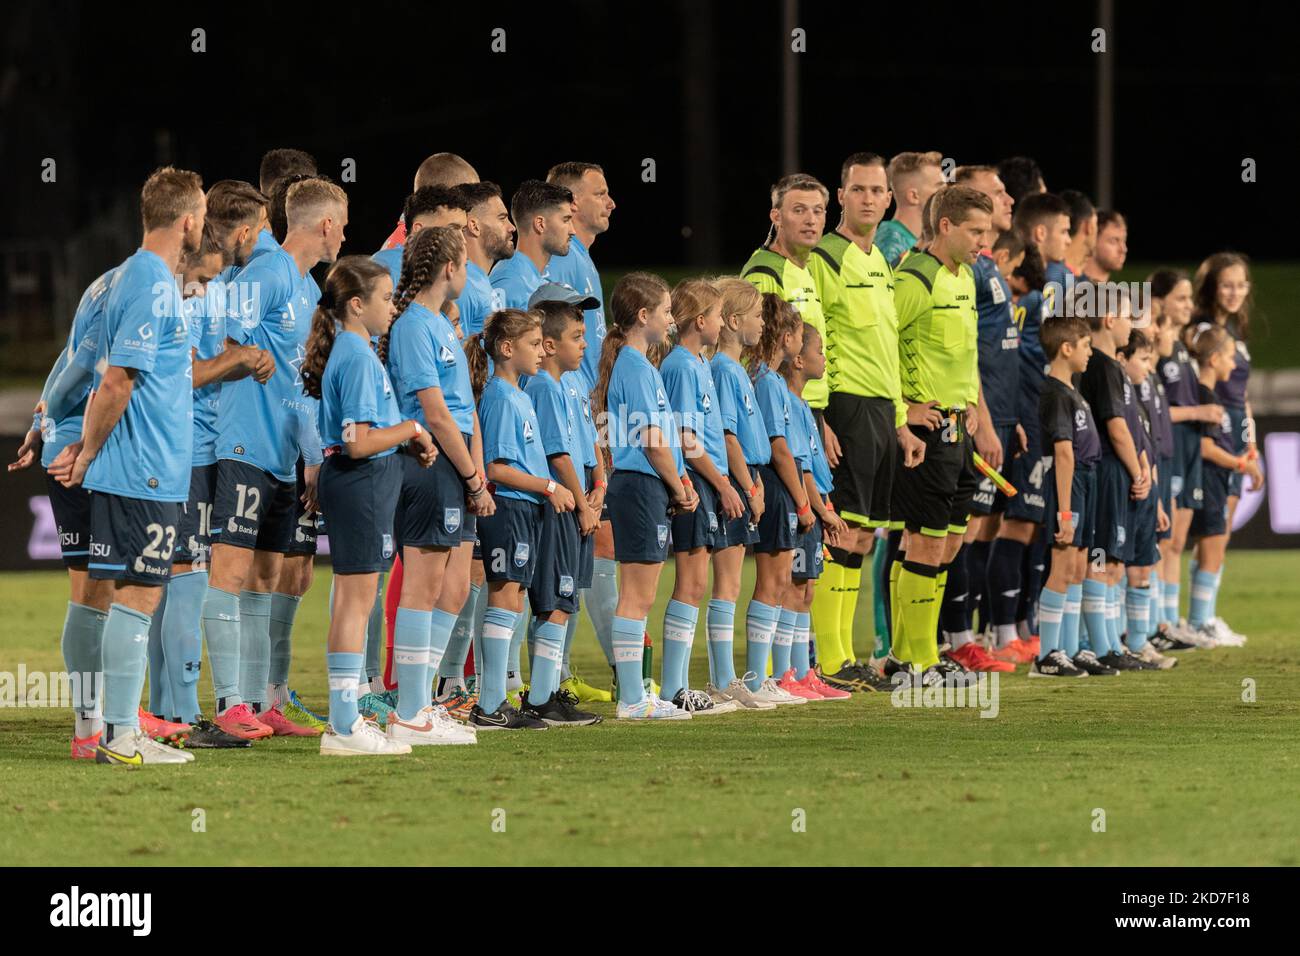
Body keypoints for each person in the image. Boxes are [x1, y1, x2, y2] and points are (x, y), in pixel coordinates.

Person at [48, 167, 207, 765]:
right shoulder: (150, 281)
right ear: (188, 220)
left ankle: (106, 732)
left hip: (141, 466)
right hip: (143, 468)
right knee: (136, 599)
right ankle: (119, 736)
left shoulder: (125, 279)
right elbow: (116, 380)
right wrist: (86, 450)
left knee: (118, 596)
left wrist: (62, 431)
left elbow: (82, 365)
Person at [200, 177, 348, 740]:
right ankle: (225, 707)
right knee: (232, 574)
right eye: (345, 223)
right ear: (326, 224)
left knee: (266, 578)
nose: (344, 235)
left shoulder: (308, 289)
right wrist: (249, 358)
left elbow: (301, 385)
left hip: (285, 454)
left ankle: (259, 704)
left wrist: (313, 454)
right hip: (244, 444)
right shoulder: (266, 270)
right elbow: (220, 338)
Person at [302, 256, 440, 755]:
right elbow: (358, 442)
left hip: (362, 484)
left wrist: (404, 440)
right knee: (356, 603)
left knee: (353, 600)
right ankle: (342, 725)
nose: (392, 308)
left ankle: (346, 720)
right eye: (385, 299)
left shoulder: (356, 350)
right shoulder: (357, 355)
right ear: (357, 305)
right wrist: (413, 430)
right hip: (359, 483)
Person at [807, 152, 921, 692]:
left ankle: (845, 656)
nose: (870, 198)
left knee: (865, 536)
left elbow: (888, 345)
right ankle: (830, 657)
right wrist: (820, 416)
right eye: (859, 190)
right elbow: (812, 343)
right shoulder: (825, 258)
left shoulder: (880, 261)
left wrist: (900, 420)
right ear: (842, 195)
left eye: (878, 191)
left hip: (880, 409)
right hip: (846, 405)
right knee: (842, 529)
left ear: (889, 199)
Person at [384, 225, 495, 739]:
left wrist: (474, 470)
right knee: (423, 589)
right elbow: (434, 410)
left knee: (450, 588)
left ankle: (420, 703)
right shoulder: (412, 326)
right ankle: (410, 710)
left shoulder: (438, 325)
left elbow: (464, 407)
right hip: (429, 464)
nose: (468, 274)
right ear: (449, 269)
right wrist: (473, 476)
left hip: (454, 464)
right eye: (465, 264)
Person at [883, 185, 992, 686]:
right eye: (975, 231)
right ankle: (917, 660)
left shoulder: (965, 277)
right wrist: (904, 409)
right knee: (923, 542)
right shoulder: (914, 277)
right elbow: (884, 344)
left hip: (959, 430)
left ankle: (910, 654)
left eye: (986, 232)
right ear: (945, 226)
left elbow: (963, 355)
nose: (982, 242)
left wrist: (972, 405)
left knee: (947, 544)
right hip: (928, 433)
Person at [592, 272, 698, 719]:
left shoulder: (641, 365)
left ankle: (636, 693)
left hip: (647, 484)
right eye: (667, 311)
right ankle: (632, 698)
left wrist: (677, 482)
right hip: (641, 485)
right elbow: (653, 441)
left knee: (642, 594)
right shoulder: (635, 368)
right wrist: (679, 485)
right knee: (636, 595)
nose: (672, 320)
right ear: (643, 316)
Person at [464, 308, 572, 729]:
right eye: (532, 343)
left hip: (524, 509)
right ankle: (489, 704)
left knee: (513, 601)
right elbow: (497, 468)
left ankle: (495, 701)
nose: (541, 352)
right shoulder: (500, 397)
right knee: (504, 599)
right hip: (509, 507)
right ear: (507, 349)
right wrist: (548, 487)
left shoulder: (520, 394)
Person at [544, 162, 619, 702]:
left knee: (588, 545)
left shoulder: (583, 261)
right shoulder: (553, 266)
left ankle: (565, 670)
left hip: (584, 416)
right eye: (600, 193)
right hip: (559, 425)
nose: (611, 201)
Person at [655, 278, 738, 715]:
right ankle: (673, 688)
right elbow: (686, 439)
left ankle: (678, 685)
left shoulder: (698, 363)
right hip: (693, 482)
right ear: (701, 321)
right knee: (690, 583)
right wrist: (722, 483)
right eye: (720, 315)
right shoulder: (683, 366)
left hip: (705, 481)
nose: (723, 324)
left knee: (697, 583)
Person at [520, 298, 603, 726]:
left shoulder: (563, 386)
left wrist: (597, 489)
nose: (585, 345)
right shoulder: (543, 388)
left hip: (575, 502)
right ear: (548, 345)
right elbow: (557, 454)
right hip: (560, 506)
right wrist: (583, 504)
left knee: (563, 601)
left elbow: (583, 444)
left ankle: (546, 692)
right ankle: (539, 697)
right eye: (576, 337)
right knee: (554, 600)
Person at [1074, 282, 1153, 674]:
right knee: (1101, 556)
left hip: (1120, 471)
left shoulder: (1114, 367)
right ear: (1108, 319)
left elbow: (1132, 428)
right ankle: (1098, 645)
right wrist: (1139, 470)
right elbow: (1116, 427)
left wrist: (1139, 464)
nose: (1130, 322)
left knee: (1112, 557)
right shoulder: (1102, 368)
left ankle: (1108, 642)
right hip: (1107, 470)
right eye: (1125, 314)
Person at [704, 278, 774, 709]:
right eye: (757, 316)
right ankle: (723, 678)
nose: (762, 324)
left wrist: (755, 478)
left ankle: (728, 677)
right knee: (726, 583)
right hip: (734, 481)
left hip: (746, 476)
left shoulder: (735, 370)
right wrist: (746, 484)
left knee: (731, 582)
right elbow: (727, 436)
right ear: (733, 321)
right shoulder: (726, 371)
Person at [745, 295, 812, 705]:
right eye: (801, 335)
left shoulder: (767, 378)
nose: (802, 343)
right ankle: (759, 678)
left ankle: (771, 676)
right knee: (772, 581)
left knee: (780, 580)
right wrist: (804, 503)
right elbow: (779, 448)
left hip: (777, 485)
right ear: (785, 337)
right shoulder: (767, 381)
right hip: (774, 484)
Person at [777, 324, 850, 700]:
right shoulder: (787, 403)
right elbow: (799, 466)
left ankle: (803, 672)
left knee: (806, 591)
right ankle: (784, 673)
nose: (826, 358)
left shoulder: (805, 405)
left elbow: (814, 468)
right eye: (820, 351)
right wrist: (818, 509)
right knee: (792, 589)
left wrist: (827, 505)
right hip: (801, 508)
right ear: (799, 360)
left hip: (815, 505)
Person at [1191, 252, 1261, 645]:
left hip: (1236, 433)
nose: (1235, 292)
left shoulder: (1232, 334)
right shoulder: (1200, 332)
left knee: (1220, 532)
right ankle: (1199, 620)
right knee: (1212, 532)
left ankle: (1204, 616)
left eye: (1241, 284)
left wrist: (1250, 441)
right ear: (1212, 288)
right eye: (1227, 284)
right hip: (1214, 432)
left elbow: (1245, 397)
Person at [1152, 269, 1220, 644]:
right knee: (1164, 541)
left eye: (1189, 299)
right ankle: (1158, 624)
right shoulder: (1158, 349)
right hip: (1171, 449)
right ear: (1160, 301)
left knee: (1177, 543)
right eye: (1181, 298)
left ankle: (1170, 620)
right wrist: (1199, 413)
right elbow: (1155, 411)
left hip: (1190, 449)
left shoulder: (1181, 348)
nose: (1189, 306)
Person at [1030, 316, 1095, 678]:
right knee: (1061, 568)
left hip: (1082, 484)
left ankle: (1067, 650)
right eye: (1085, 346)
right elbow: (1064, 452)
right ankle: (1047, 655)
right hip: (1067, 487)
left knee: (1074, 569)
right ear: (1066, 348)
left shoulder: (1070, 389)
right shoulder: (1055, 392)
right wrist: (1065, 512)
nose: (1089, 353)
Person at [1118, 330, 1177, 668]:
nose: (1149, 365)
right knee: (1118, 568)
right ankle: (1120, 640)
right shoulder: (1120, 395)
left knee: (1144, 565)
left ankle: (1140, 641)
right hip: (1128, 487)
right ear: (1123, 359)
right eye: (1143, 358)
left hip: (1146, 490)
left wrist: (1155, 501)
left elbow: (1146, 450)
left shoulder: (1136, 400)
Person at [490, 180, 575, 310]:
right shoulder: (510, 281)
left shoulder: (531, 276)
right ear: (540, 224)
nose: (572, 231)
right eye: (566, 220)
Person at [373, 186, 471, 289]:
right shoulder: (382, 268)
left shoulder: (469, 274)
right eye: (452, 229)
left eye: (463, 230)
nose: (463, 241)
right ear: (419, 229)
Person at [876, 151, 945, 268]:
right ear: (914, 196)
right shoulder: (890, 246)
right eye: (939, 186)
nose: (947, 192)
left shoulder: (916, 240)